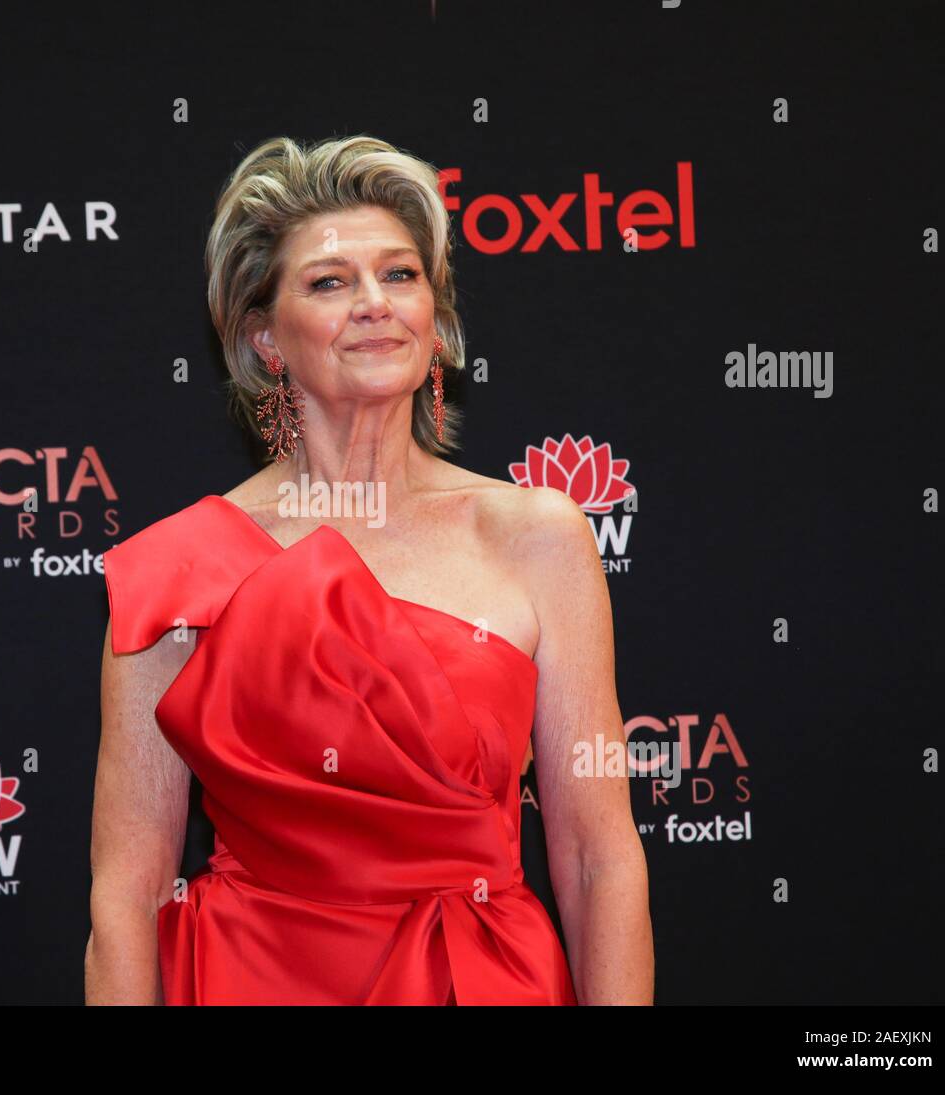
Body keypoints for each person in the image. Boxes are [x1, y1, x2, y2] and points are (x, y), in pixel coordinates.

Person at [85, 135, 653, 1005]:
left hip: (484, 981)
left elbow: (597, 854)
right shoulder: (179, 568)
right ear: (265, 337)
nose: (374, 304)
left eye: (400, 275)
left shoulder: (537, 534)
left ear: (435, 312)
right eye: (328, 282)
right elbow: (127, 893)